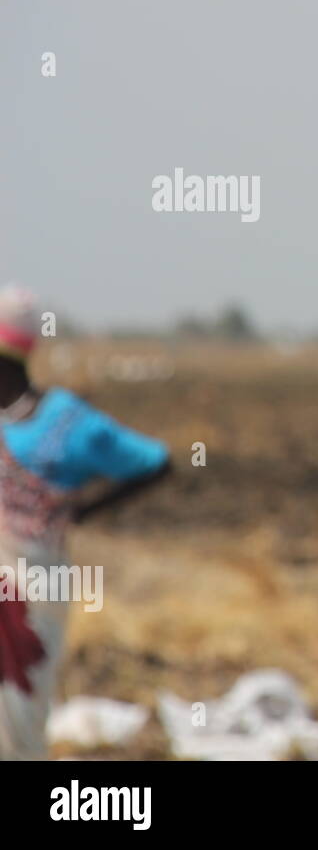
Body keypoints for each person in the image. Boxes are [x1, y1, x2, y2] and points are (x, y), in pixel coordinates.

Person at [0, 285, 172, 759]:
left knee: (19, 705)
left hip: (37, 584)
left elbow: (155, 462)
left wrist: (85, 510)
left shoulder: (65, 422)